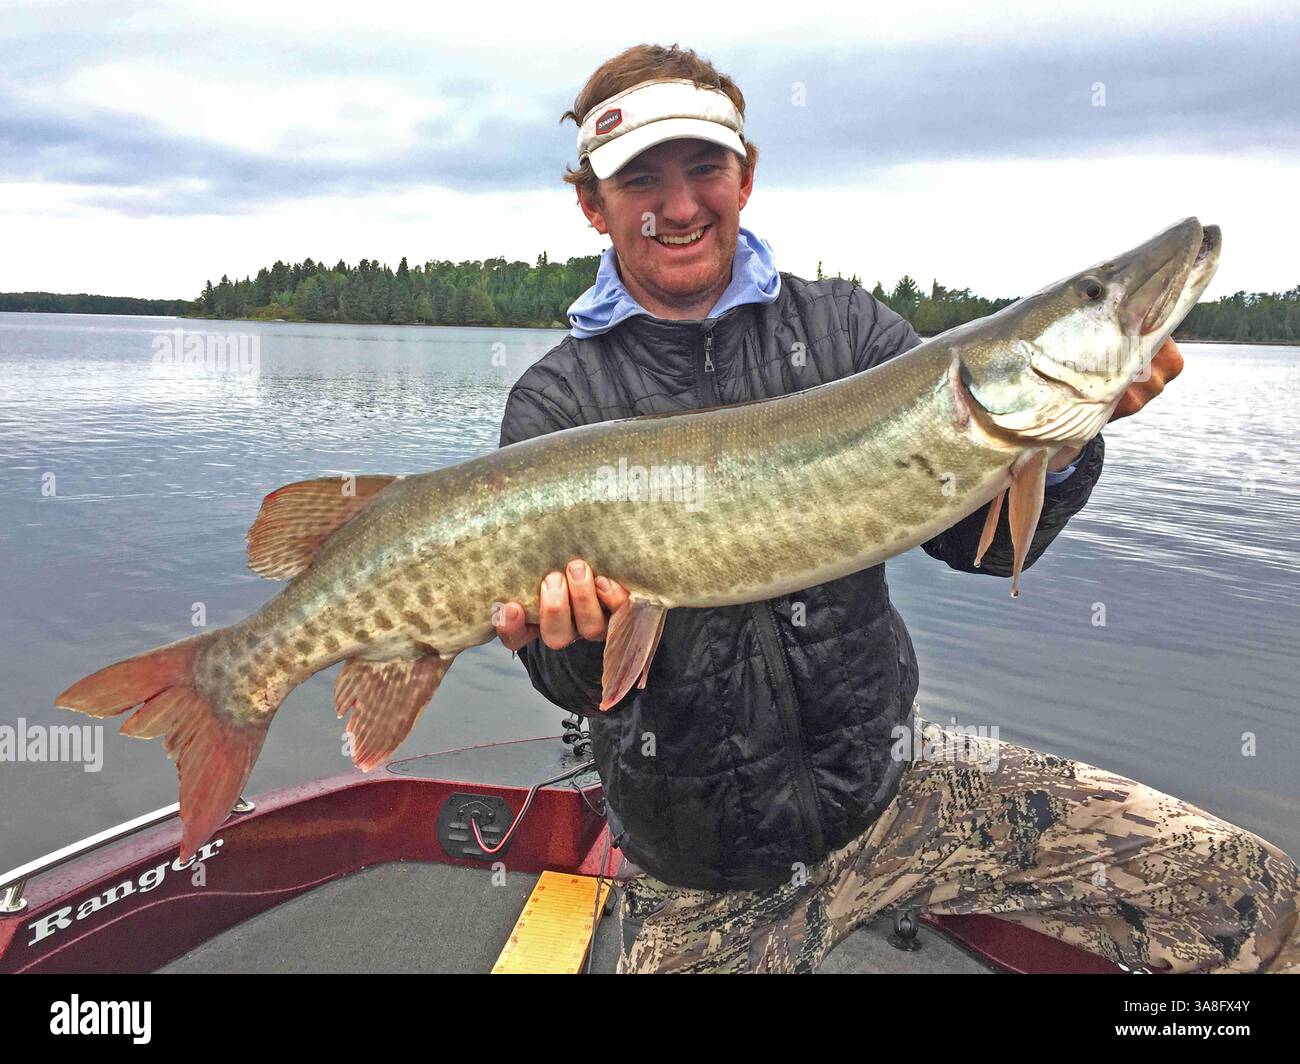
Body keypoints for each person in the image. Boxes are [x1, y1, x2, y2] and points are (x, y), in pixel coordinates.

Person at [493, 43, 1300, 973]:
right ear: (594, 204)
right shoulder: (557, 406)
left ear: (744, 179)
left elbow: (983, 549)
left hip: (899, 800)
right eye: (642, 178)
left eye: (704, 168)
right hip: (706, 876)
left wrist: (1065, 442)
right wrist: (578, 639)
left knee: (1251, 893)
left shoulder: (846, 332)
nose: (679, 206)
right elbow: (562, 677)